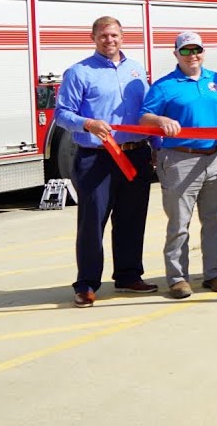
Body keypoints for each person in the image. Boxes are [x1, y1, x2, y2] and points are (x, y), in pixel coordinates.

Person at [55, 16, 157, 307]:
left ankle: (127, 275)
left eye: (114, 35)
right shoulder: (79, 72)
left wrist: (156, 145)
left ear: (123, 37)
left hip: (135, 154)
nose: (109, 40)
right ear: (93, 38)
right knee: (92, 223)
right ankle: (86, 283)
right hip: (96, 158)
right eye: (103, 36)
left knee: (131, 218)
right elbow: (61, 114)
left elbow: (147, 113)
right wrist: (87, 123)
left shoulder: (137, 70)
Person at [140, 31, 217, 299]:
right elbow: (143, 117)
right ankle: (178, 278)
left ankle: (214, 273)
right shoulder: (165, 86)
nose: (192, 55)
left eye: (196, 49)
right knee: (179, 223)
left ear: (203, 52)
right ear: (176, 54)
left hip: (216, 157)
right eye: (185, 51)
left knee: (214, 220)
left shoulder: (216, 81)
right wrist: (159, 121)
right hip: (179, 159)